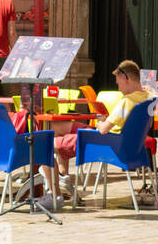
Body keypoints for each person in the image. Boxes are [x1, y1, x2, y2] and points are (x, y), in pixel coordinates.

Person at [40, 60, 152, 208]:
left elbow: (103, 129)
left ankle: (55, 195)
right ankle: (61, 175)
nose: (118, 88)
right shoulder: (148, 98)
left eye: (118, 84)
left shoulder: (126, 102)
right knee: (57, 126)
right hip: (125, 144)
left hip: (107, 143)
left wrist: (101, 122)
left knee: (44, 144)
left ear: (126, 79)